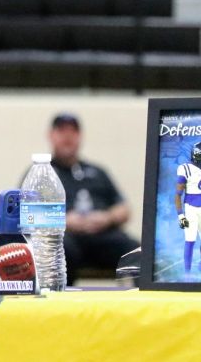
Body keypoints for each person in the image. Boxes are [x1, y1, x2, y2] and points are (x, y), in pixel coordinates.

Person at [38, 113, 139, 284]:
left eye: (73, 132)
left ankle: (144, 305)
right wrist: (64, 221)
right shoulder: (41, 173)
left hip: (102, 238)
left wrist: (107, 217)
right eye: (61, 131)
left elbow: (124, 209)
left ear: (80, 136)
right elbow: (26, 213)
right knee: (58, 251)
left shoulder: (97, 171)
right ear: (51, 135)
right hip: (66, 240)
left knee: (140, 252)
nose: (67, 137)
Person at [175, 142, 201, 277]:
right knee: (190, 239)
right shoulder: (185, 168)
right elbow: (178, 195)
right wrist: (181, 216)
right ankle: (187, 273)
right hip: (191, 207)